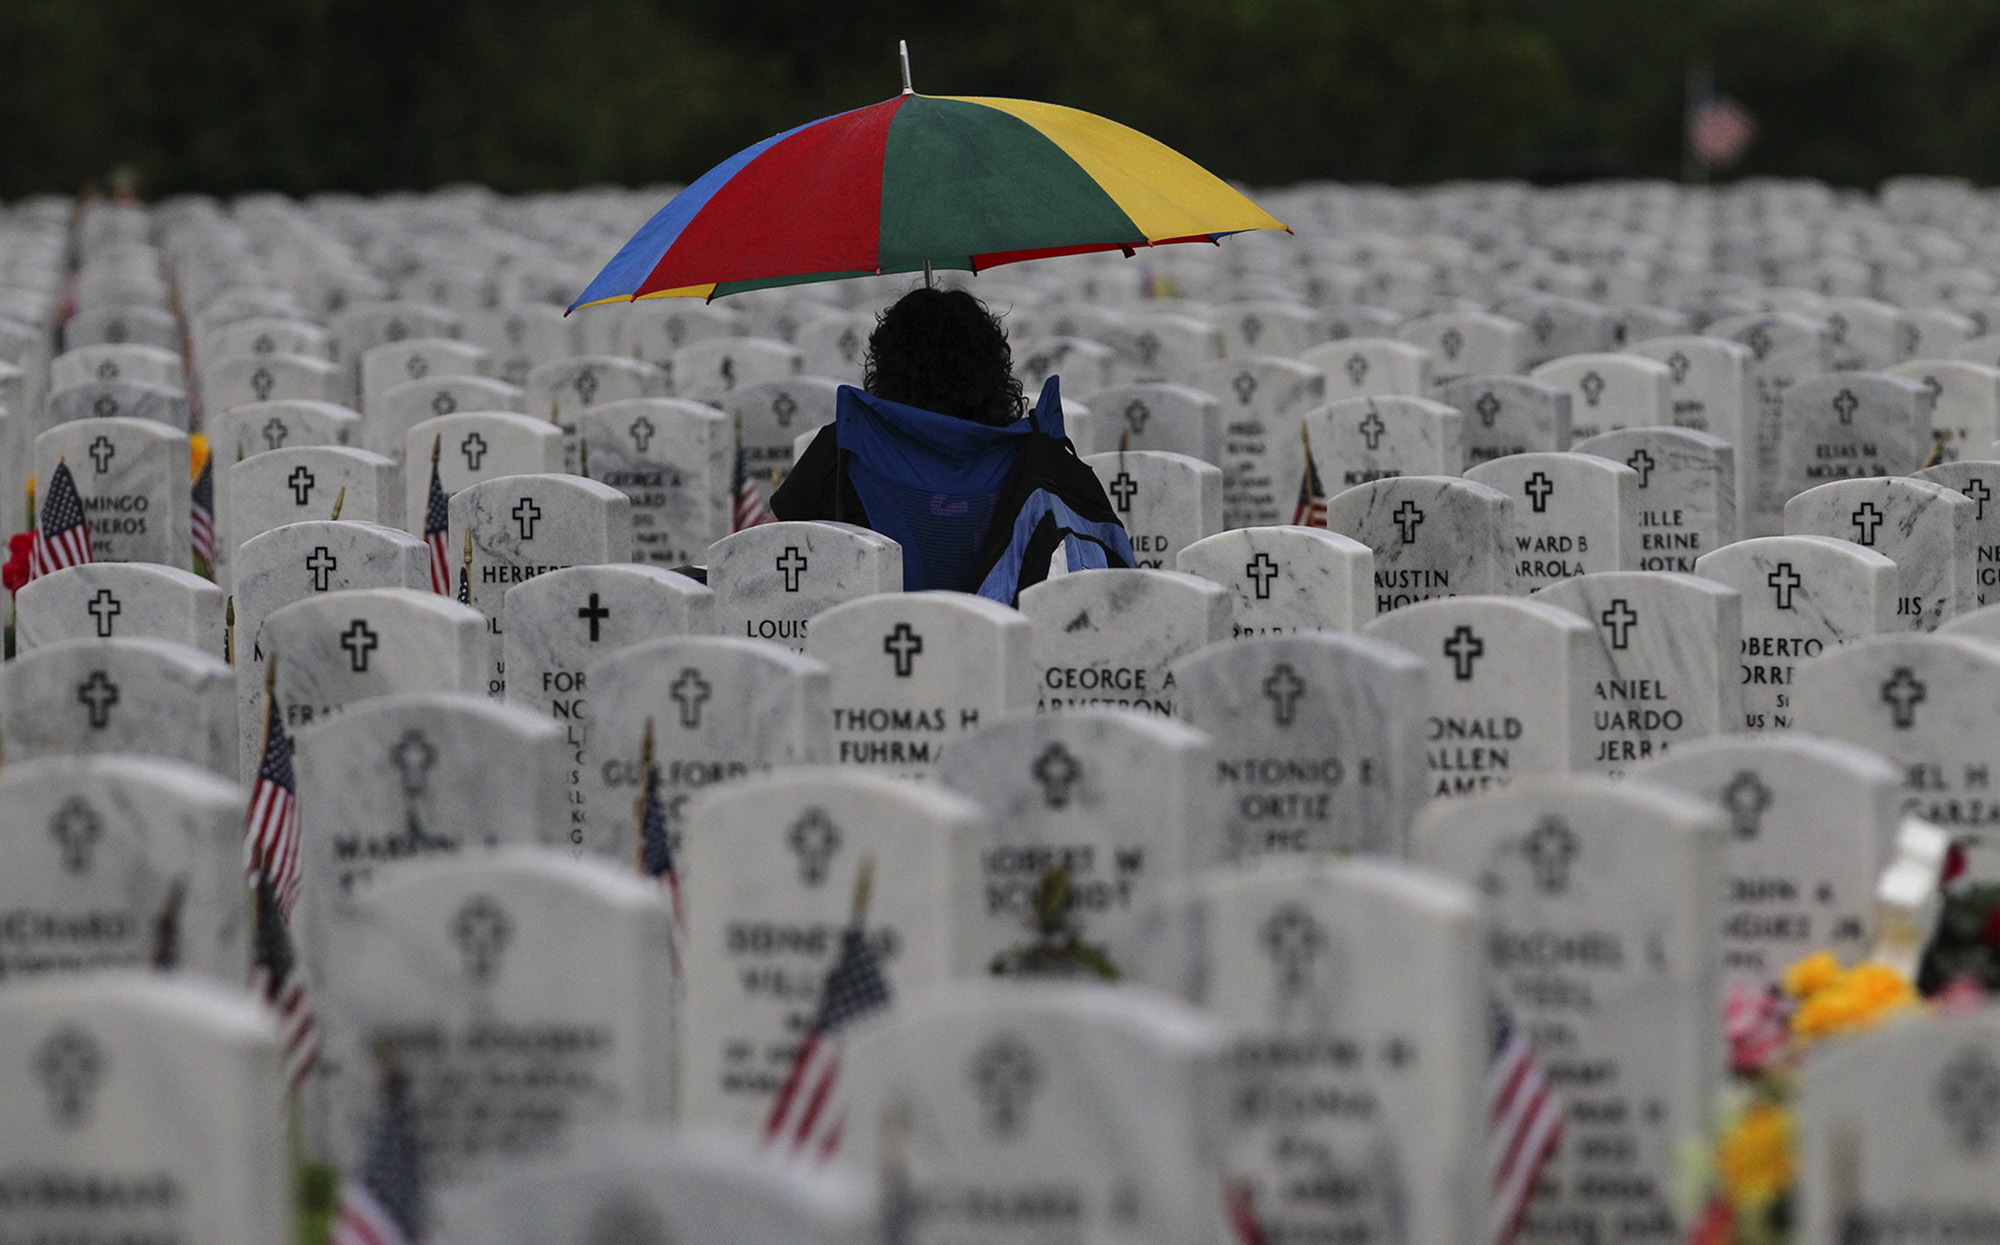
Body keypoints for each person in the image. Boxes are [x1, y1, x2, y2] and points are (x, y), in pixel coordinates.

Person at [771, 286, 1133, 604]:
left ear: (885, 365)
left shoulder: (843, 448)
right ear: (993, 368)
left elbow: (756, 560)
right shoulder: (1039, 459)